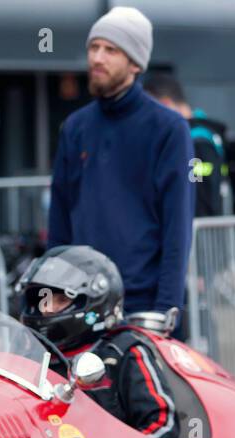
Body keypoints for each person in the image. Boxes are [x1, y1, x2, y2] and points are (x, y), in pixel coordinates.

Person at [47, 7, 193, 339]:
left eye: (110, 50)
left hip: (143, 307)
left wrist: (167, 309)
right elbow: (59, 217)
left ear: (136, 64)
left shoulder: (169, 128)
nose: (97, 58)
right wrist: (53, 290)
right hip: (79, 303)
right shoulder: (75, 127)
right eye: (93, 47)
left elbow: (177, 226)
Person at [19, 245, 178, 438]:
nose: (48, 309)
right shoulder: (31, 359)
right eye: (43, 300)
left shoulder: (124, 351)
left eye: (61, 299)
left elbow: (163, 424)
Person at [142, 72, 230, 218]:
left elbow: (199, 196)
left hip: (198, 234)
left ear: (165, 104)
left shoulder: (195, 141)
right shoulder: (205, 133)